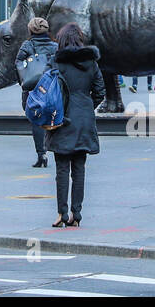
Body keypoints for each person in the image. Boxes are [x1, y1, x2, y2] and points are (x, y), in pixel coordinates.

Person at [42, 22, 106, 227]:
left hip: (61, 119)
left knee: (62, 168)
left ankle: (61, 214)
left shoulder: (56, 62)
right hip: (84, 120)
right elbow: (100, 92)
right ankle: (76, 215)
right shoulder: (91, 63)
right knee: (79, 168)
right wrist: (87, 107)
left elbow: (45, 89)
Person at [15, 17, 56, 168]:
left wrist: (24, 83)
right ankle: (55, 149)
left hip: (32, 89)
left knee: (36, 121)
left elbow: (17, 64)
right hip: (51, 88)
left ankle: (42, 153)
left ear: (30, 30)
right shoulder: (54, 46)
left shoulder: (27, 45)